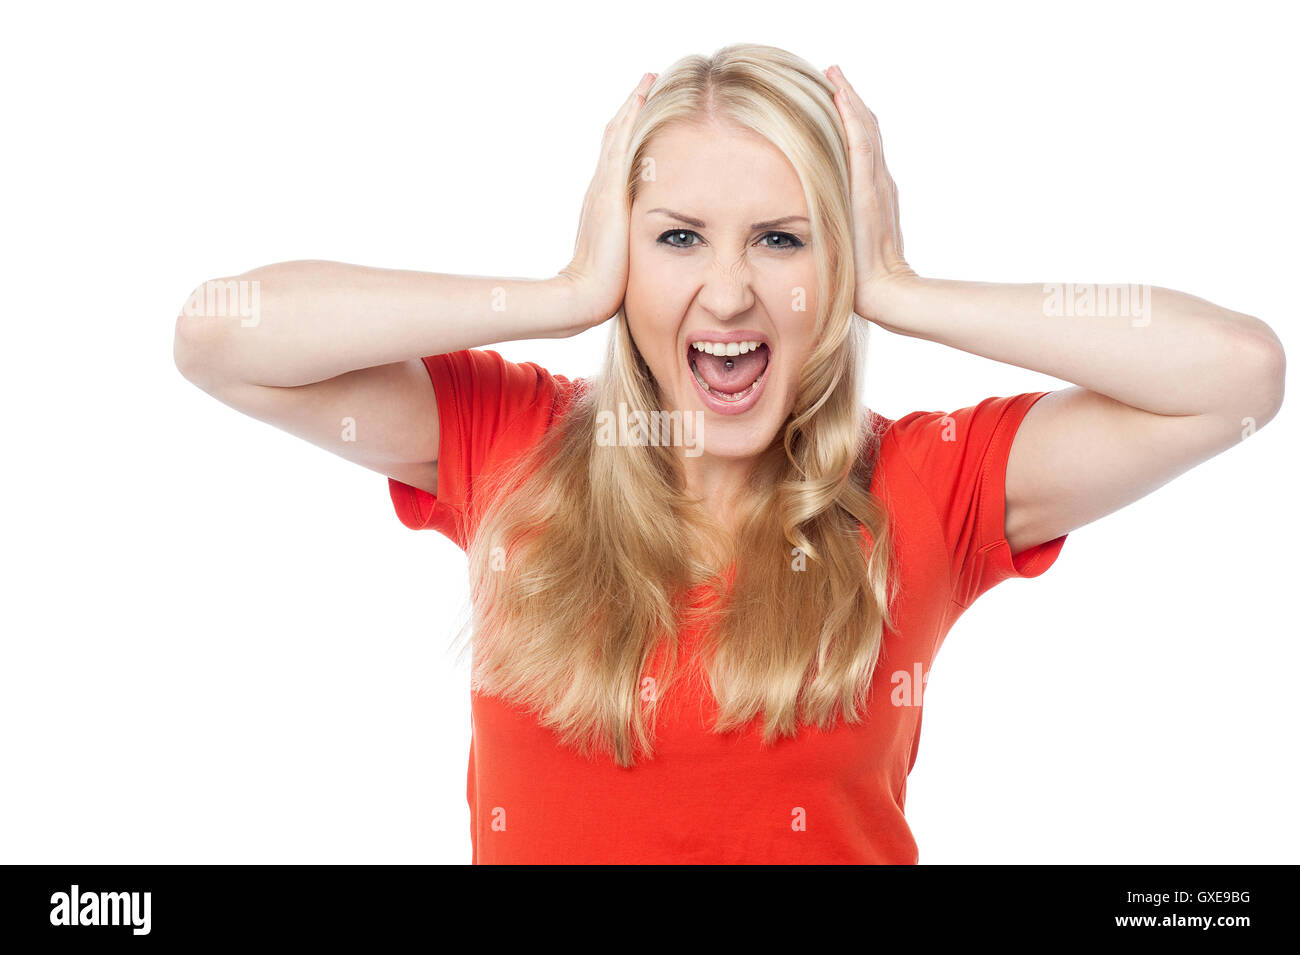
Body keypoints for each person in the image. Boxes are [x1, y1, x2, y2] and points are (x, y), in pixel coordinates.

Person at [172, 44, 1285, 864]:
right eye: (677, 238)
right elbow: (222, 336)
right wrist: (558, 294)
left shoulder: (923, 485)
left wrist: (902, 288)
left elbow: (1236, 374)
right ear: (625, 261)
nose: (728, 289)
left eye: (781, 238)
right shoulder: (511, 441)